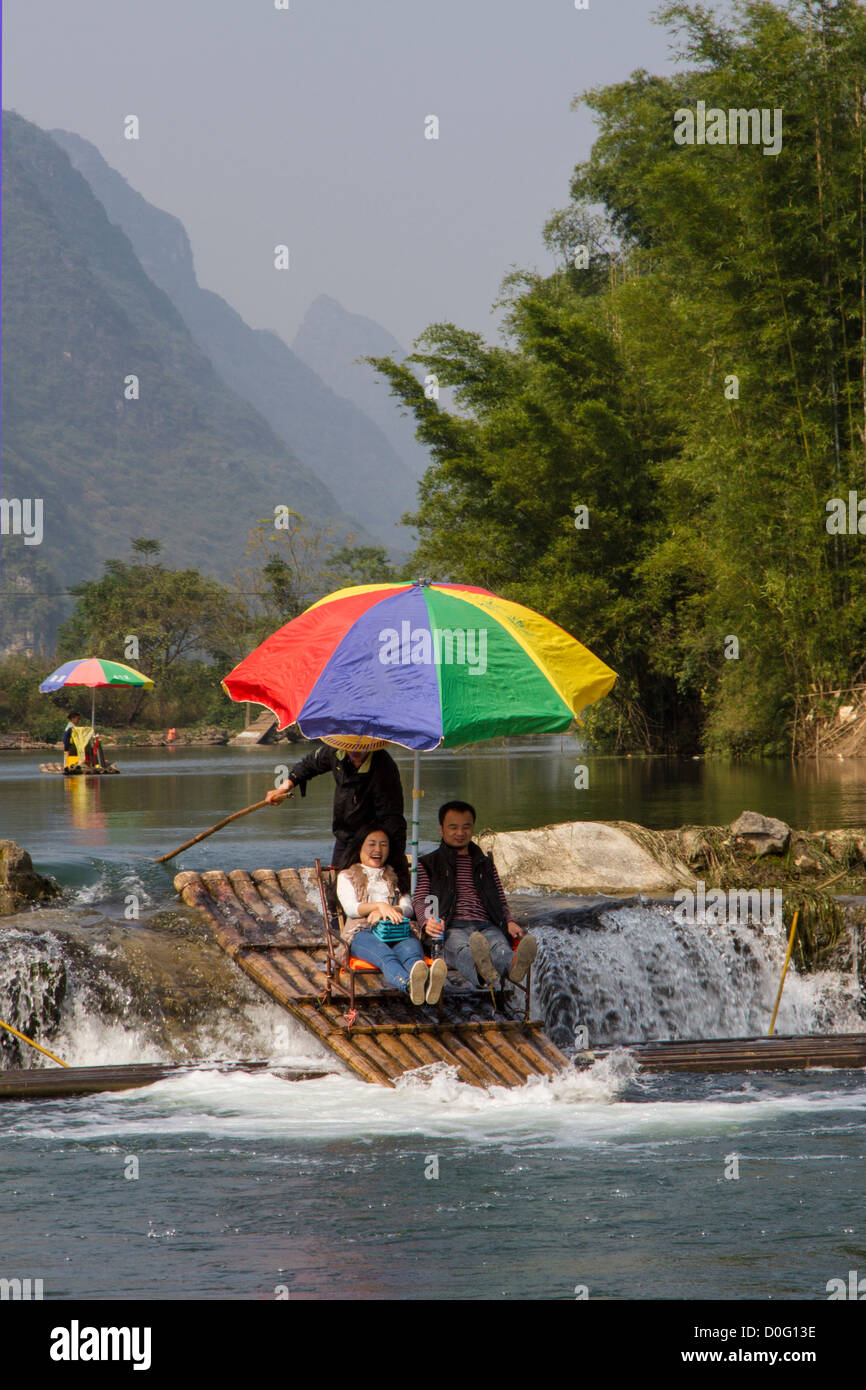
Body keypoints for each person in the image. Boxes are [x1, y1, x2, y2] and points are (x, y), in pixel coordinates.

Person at [413, 800, 537, 996]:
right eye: (453, 827)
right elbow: (419, 899)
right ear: (441, 830)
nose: (460, 833)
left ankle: (514, 967)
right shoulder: (428, 863)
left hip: (486, 924)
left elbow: (499, 899)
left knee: (499, 946)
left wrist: (509, 922)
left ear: (472, 828)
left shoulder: (484, 863)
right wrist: (426, 922)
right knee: (460, 948)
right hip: (451, 925)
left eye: (466, 827)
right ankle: (481, 970)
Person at [265, 735, 409, 888]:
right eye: (351, 750)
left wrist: (394, 860)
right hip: (344, 832)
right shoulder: (336, 752)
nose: (356, 755)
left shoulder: (384, 767)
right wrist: (283, 788)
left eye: (361, 750)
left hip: (371, 839)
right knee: (339, 884)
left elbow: (392, 818)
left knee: (371, 885)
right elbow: (308, 765)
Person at [337, 827, 447, 1006]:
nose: (378, 850)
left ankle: (427, 983)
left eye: (383, 845)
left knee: (412, 955)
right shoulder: (347, 876)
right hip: (363, 931)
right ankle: (411, 985)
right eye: (372, 844)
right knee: (386, 956)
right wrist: (379, 906)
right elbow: (351, 908)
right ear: (360, 847)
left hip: (397, 927)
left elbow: (408, 907)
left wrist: (388, 910)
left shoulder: (394, 876)